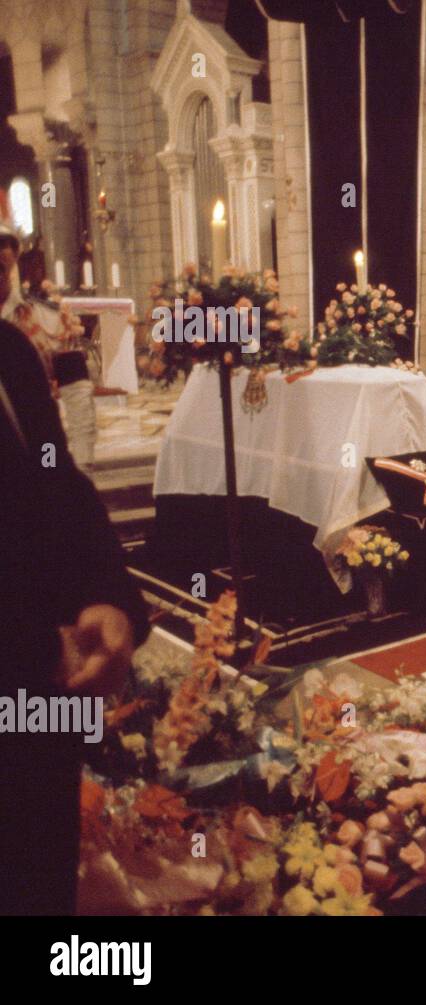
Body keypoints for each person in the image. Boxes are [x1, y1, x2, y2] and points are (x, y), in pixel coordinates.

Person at [0, 253, 150, 914]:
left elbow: (57, 482)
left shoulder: (7, 349)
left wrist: (106, 594)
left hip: (38, 723)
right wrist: (31, 648)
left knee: (39, 879)